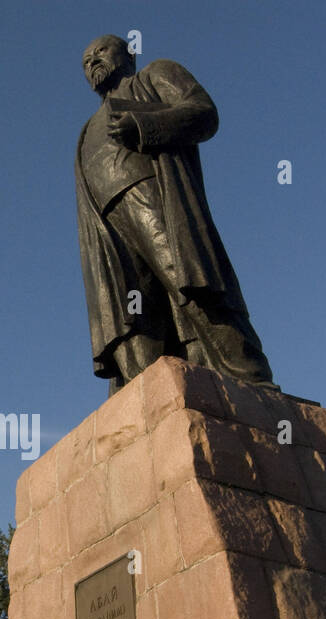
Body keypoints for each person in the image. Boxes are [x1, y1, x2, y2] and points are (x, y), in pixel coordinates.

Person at [76, 35, 276, 395]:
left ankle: (249, 380)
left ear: (129, 55)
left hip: (153, 192)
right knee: (132, 317)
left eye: (100, 51)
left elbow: (203, 113)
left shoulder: (155, 74)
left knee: (191, 284)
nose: (92, 61)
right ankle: (147, 402)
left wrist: (143, 126)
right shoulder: (86, 130)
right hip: (108, 225)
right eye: (86, 60)